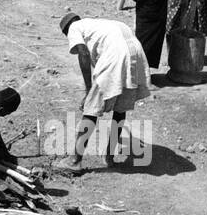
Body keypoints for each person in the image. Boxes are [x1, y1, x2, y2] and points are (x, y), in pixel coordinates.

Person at [59, 12, 151, 170]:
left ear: (67, 31)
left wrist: (88, 90)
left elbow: (83, 53)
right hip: (135, 53)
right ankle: (109, 156)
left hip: (116, 54)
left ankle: (74, 160)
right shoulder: (98, 24)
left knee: (91, 108)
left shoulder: (74, 28)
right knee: (120, 108)